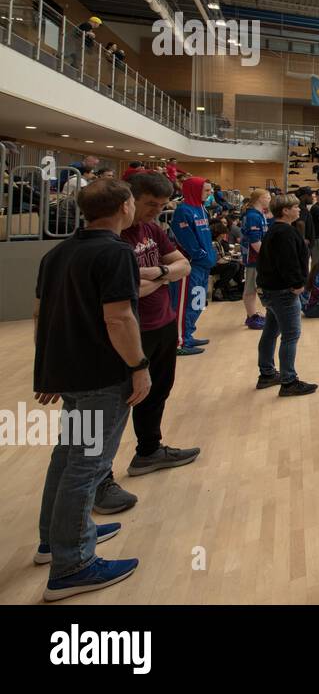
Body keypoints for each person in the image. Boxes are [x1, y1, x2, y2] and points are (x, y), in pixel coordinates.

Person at [33, 178, 148, 600]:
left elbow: (41, 315)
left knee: (66, 458)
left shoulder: (58, 252)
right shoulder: (115, 253)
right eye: (133, 201)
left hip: (70, 373)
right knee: (87, 466)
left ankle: (56, 539)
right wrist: (139, 365)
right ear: (122, 206)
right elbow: (119, 319)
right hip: (102, 374)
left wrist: (46, 369)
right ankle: (72, 564)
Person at [117, 170, 201, 491]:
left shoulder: (151, 228)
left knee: (157, 392)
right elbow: (129, 289)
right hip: (132, 329)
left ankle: (148, 451)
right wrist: (166, 275)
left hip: (162, 322)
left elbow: (184, 265)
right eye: (150, 203)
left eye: (162, 204)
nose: (156, 210)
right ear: (129, 200)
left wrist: (159, 272)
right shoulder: (113, 238)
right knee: (118, 403)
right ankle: (99, 477)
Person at [255, 195, 317, 397]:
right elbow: (288, 263)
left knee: (271, 332)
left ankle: (267, 374)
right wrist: (297, 284)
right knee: (290, 336)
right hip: (283, 292)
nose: (299, 209)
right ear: (285, 211)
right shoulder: (285, 233)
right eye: (295, 206)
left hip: (271, 290)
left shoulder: (275, 229)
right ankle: (288, 381)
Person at [171, 177, 216, 355]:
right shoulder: (183, 210)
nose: (210, 193)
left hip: (203, 265)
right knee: (184, 303)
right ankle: (179, 342)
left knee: (198, 303)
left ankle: (187, 334)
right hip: (190, 265)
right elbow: (186, 239)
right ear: (194, 190)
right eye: (206, 190)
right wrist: (201, 256)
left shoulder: (202, 208)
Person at [239, 190, 269, 330]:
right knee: (251, 288)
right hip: (253, 257)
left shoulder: (260, 214)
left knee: (256, 287)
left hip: (258, 257)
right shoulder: (252, 215)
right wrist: (269, 256)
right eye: (268, 197)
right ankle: (251, 317)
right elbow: (255, 241)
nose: (270, 199)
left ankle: (253, 314)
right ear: (260, 198)